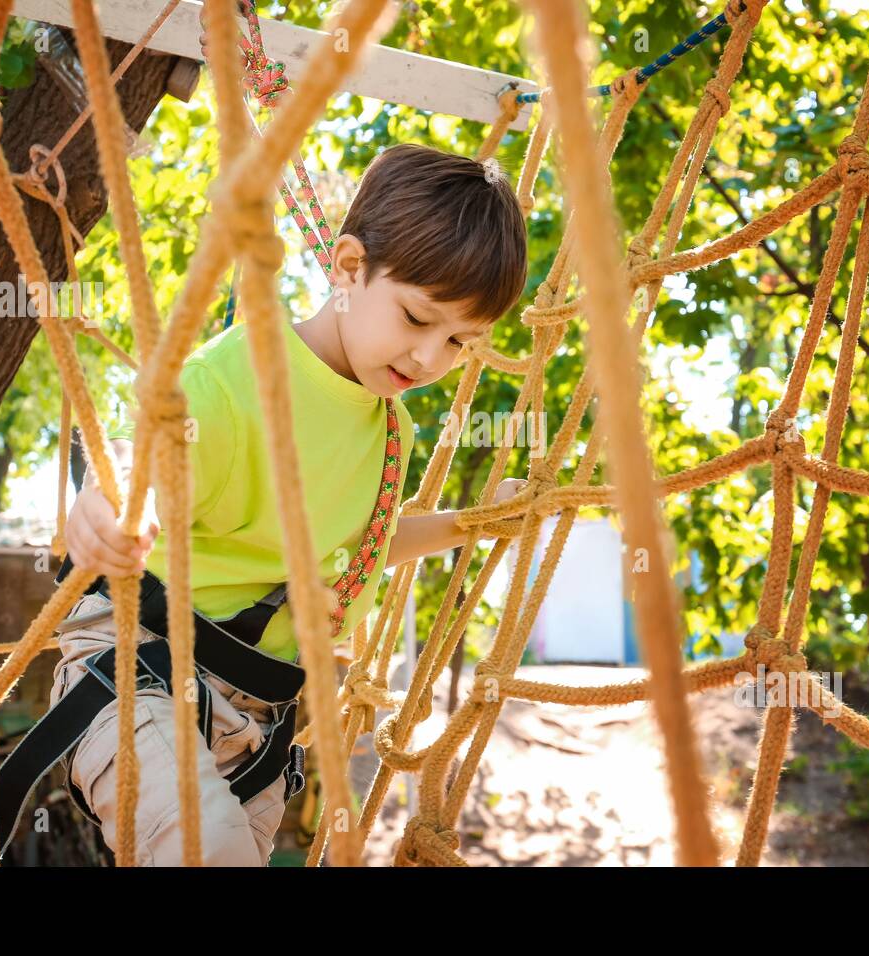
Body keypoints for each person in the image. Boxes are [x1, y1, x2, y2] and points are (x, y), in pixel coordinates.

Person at [46, 143, 530, 866]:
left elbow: (360, 543)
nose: (431, 359)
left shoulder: (389, 426)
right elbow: (147, 453)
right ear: (347, 269)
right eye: (417, 318)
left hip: (256, 718)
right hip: (136, 675)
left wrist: (470, 524)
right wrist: (106, 501)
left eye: (461, 342)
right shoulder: (240, 376)